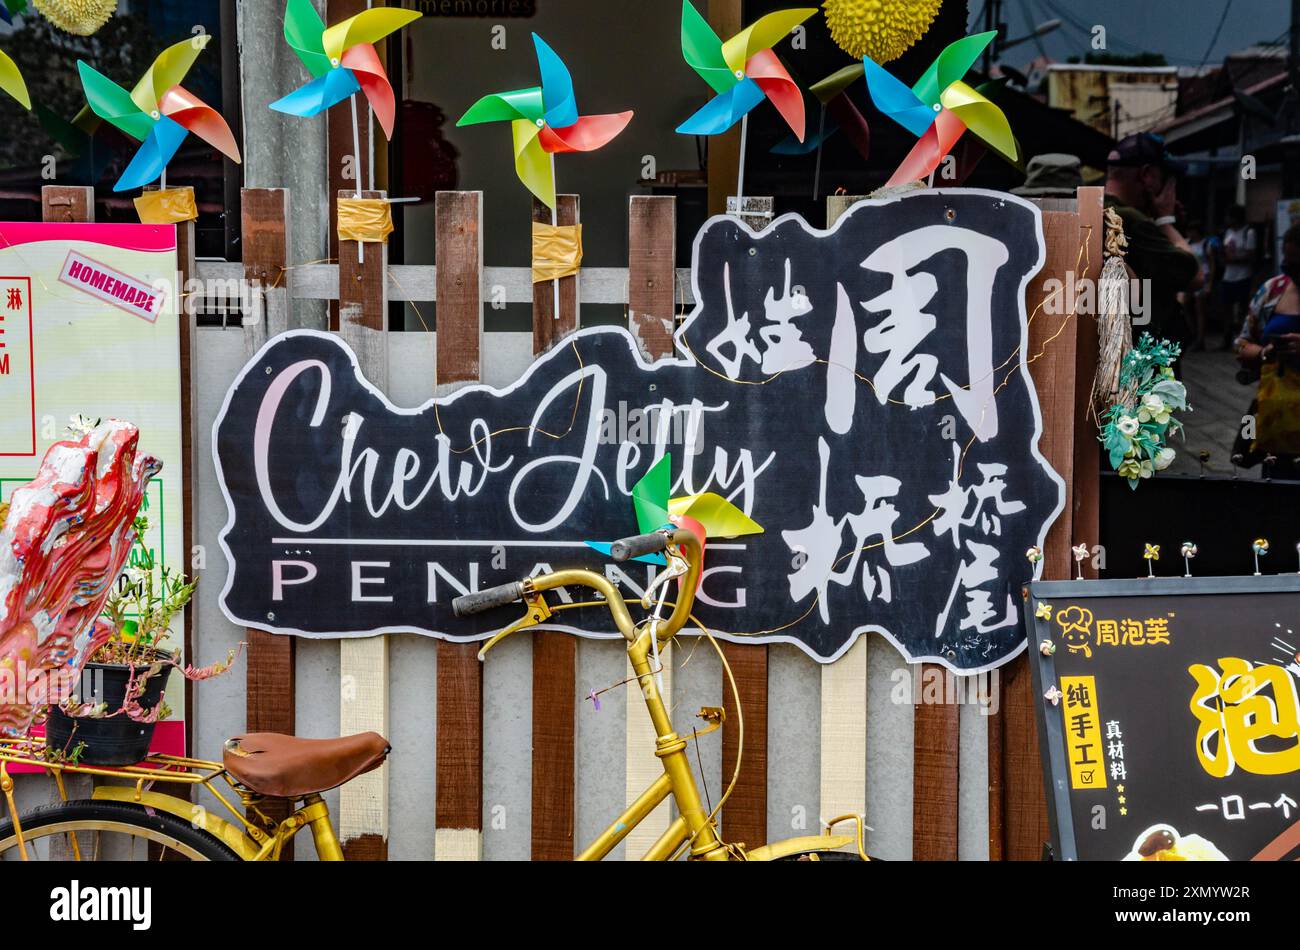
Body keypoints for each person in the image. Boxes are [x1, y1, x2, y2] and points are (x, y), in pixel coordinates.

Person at [1104, 133, 1203, 344]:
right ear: (1147, 175)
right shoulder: (1131, 220)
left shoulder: (1093, 209)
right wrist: (1165, 220)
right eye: (1164, 179)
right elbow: (1195, 277)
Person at [1232, 223, 1300, 471]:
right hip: (1277, 420)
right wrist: (1264, 353)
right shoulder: (1272, 290)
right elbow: (1241, 344)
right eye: (1287, 260)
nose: (1290, 267)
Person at [1220, 205, 1258, 350]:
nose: (1227, 220)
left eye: (1229, 216)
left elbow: (1251, 255)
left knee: (1243, 310)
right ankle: (1226, 339)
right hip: (1228, 276)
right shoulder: (1228, 232)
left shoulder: (1249, 232)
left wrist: (1233, 259)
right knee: (1226, 309)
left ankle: (1244, 339)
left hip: (1243, 276)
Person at [1184, 220, 1220, 351]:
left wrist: (1209, 283)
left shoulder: (1206, 244)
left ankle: (1200, 339)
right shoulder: (1187, 243)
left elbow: (1212, 264)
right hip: (1189, 279)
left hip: (1203, 278)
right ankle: (1193, 334)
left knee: (1200, 310)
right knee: (1186, 305)